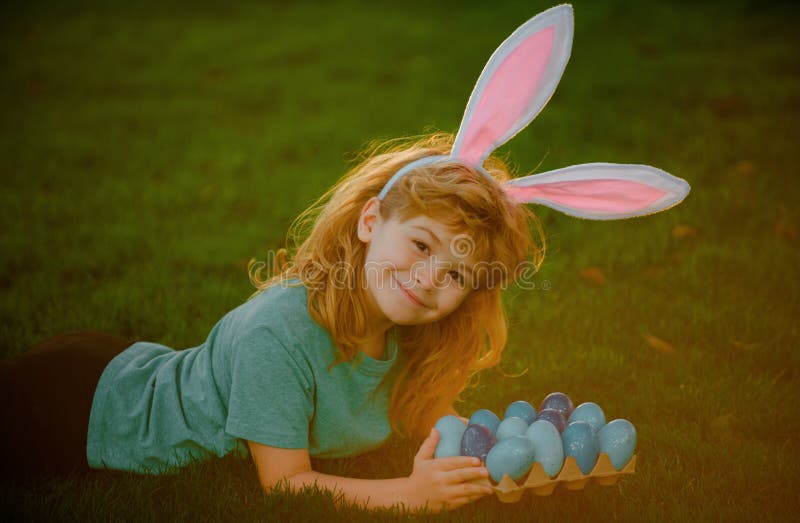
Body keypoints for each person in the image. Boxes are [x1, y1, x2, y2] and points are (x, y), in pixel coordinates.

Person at [1, 4, 690, 514]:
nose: (429, 279)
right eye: (420, 245)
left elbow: (437, 427)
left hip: (129, 363)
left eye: (457, 273)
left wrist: (529, 451)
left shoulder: (414, 333)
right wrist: (410, 495)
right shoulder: (280, 332)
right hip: (75, 407)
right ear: (369, 221)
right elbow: (285, 485)